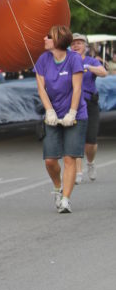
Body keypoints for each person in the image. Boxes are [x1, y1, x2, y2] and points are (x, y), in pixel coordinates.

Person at [35, 25, 87, 213]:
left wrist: (72, 113)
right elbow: (41, 88)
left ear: (58, 40)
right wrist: (49, 111)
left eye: (48, 36)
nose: (44, 38)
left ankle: (66, 198)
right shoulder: (43, 60)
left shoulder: (73, 59)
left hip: (75, 115)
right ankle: (58, 187)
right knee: (50, 160)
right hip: (53, 117)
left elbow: (77, 88)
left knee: (69, 158)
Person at [70, 32, 107, 183]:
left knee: (90, 141)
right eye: (73, 43)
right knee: (77, 138)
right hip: (74, 104)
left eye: (79, 43)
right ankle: (78, 172)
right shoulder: (67, 61)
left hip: (90, 103)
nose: (76, 45)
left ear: (85, 46)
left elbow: (103, 72)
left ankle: (90, 163)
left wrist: (89, 67)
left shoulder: (91, 60)